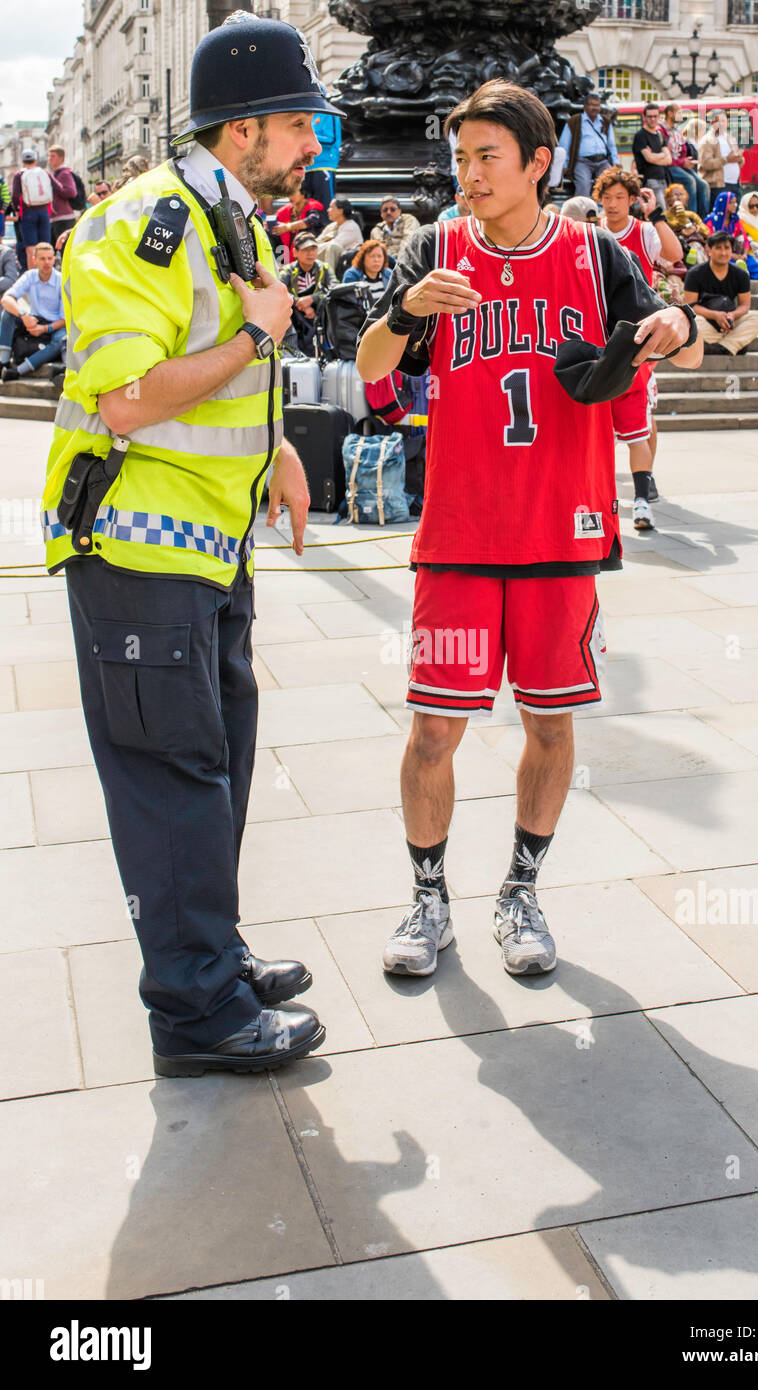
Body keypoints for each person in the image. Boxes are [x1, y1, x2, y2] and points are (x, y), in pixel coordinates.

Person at [40, 13, 344, 1077]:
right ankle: (195, 1009)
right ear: (248, 124)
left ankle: (212, 953)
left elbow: (229, 384)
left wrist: (280, 457)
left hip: (210, 550)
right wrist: (258, 331)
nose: (313, 145)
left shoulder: (235, 223)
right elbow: (126, 401)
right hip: (135, 549)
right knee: (172, 777)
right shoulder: (137, 225)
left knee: (216, 764)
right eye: (302, 123)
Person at [356, 79, 700, 979]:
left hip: (561, 533)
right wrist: (402, 313)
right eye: (460, 158)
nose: (467, 174)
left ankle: (520, 891)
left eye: (486, 158)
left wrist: (673, 320)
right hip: (460, 534)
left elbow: (682, 340)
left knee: (549, 724)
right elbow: (368, 369)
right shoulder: (433, 248)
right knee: (434, 727)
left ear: (538, 163)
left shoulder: (592, 254)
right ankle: (427, 899)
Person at [595, 166, 684, 530]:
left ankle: (644, 488)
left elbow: (676, 253)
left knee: (640, 418)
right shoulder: (592, 232)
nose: (613, 204)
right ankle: (626, 485)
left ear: (632, 200)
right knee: (617, 420)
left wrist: (656, 213)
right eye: (608, 197)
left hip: (638, 335)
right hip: (600, 336)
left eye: (621, 198)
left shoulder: (643, 231)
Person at [683, 230, 758, 356]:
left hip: (730, 321)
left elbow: (745, 305)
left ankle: (720, 347)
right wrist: (716, 315)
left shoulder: (741, 274)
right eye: (718, 248)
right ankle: (733, 345)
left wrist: (732, 316)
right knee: (690, 321)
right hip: (706, 320)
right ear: (709, 250)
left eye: (727, 248)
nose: (723, 253)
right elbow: (691, 306)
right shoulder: (695, 274)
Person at [0, 241, 66, 379]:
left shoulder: (61, 280)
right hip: (33, 320)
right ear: (34, 260)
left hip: (54, 325)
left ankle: (18, 371)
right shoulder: (30, 276)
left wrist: (44, 329)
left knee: (61, 340)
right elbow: (6, 299)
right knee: (8, 314)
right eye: (42, 258)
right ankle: (3, 362)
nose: (47, 262)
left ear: (54, 259)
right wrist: (24, 315)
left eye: (49, 258)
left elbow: (65, 319)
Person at [550, 92, 619, 198]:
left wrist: (615, 163)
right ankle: (582, 211)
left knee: (610, 182)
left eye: (597, 105)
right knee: (583, 185)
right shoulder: (574, 121)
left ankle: (604, 210)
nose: (594, 108)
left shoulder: (605, 122)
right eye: (591, 105)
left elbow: (611, 145)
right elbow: (564, 145)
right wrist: (564, 165)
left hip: (602, 162)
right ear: (585, 107)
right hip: (583, 162)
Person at [281, 231, 335, 354]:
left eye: (313, 249)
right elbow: (279, 290)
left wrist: (313, 298)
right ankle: (293, 350)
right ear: (295, 252)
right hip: (296, 316)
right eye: (305, 250)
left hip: (320, 314)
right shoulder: (288, 270)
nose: (310, 253)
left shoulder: (324, 268)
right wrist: (300, 303)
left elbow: (334, 289)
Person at [660, 103, 710, 218]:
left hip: (681, 164)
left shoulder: (677, 129)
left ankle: (702, 218)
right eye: (679, 113)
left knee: (703, 185)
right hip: (669, 165)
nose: (681, 115)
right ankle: (691, 216)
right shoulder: (661, 130)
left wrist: (686, 161)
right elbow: (666, 156)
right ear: (670, 113)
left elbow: (682, 148)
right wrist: (683, 162)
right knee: (690, 181)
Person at [705, 192, 758, 280]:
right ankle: (742, 273)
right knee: (728, 262)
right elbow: (710, 243)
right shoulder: (711, 221)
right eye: (731, 202)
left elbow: (745, 239)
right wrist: (732, 255)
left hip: (737, 253)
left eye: (735, 202)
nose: (735, 205)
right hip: (720, 253)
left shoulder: (735, 220)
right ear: (723, 203)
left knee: (750, 261)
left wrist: (744, 254)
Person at [11, 151, 53, 270]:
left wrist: (17, 210)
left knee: (31, 248)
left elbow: (15, 196)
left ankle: (34, 278)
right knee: (45, 246)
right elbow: (56, 186)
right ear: (35, 161)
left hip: (28, 212)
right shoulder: (44, 172)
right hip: (44, 212)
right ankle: (46, 275)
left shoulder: (19, 174)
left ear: (23, 162)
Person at [698, 110, 744, 204]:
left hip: (735, 183)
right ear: (711, 123)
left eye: (723, 120)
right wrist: (727, 159)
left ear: (728, 122)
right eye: (718, 121)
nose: (721, 124)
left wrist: (739, 159)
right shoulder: (707, 140)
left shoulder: (730, 138)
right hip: (719, 185)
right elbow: (705, 163)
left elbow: (738, 160)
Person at [631, 104, 672, 208]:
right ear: (644, 117)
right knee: (659, 211)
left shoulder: (659, 135)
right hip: (650, 180)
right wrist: (661, 155)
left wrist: (655, 156)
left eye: (655, 116)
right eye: (650, 116)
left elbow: (668, 160)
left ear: (659, 117)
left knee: (666, 211)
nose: (653, 119)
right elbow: (649, 158)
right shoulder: (640, 136)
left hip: (663, 179)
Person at [276, 183, 327, 260]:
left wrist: (287, 227)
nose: (290, 196)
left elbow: (312, 220)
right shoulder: (283, 211)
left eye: (293, 193)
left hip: (309, 249)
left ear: (303, 194)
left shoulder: (313, 206)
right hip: (285, 252)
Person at [315, 194, 362, 271]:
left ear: (340, 211)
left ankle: (329, 278)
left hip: (347, 262)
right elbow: (318, 241)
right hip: (332, 260)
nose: (328, 210)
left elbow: (335, 244)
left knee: (332, 247)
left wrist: (313, 250)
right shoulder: (332, 226)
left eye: (331, 207)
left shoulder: (351, 227)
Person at [664, 183, 709, 264]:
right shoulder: (666, 216)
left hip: (693, 245)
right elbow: (678, 225)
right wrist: (680, 209)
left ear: (686, 198)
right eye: (675, 194)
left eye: (681, 194)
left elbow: (706, 231)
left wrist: (695, 228)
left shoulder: (691, 214)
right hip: (676, 246)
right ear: (669, 199)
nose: (678, 197)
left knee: (695, 246)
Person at [46, 145, 79, 246]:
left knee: (64, 249)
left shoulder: (64, 174)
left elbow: (71, 192)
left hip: (64, 218)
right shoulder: (56, 173)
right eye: (49, 156)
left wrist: (53, 181)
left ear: (61, 158)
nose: (50, 159)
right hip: (55, 218)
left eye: (53, 156)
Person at [370, 196, 420, 260]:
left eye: (392, 209)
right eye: (385, 210)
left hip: (405, 262)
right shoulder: (376, 230)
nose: (388, 212)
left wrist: (399, 263)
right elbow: (373, 252)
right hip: (384, 265)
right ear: (381, 213)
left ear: (399, 211)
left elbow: (408, 243)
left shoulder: (409, 221)